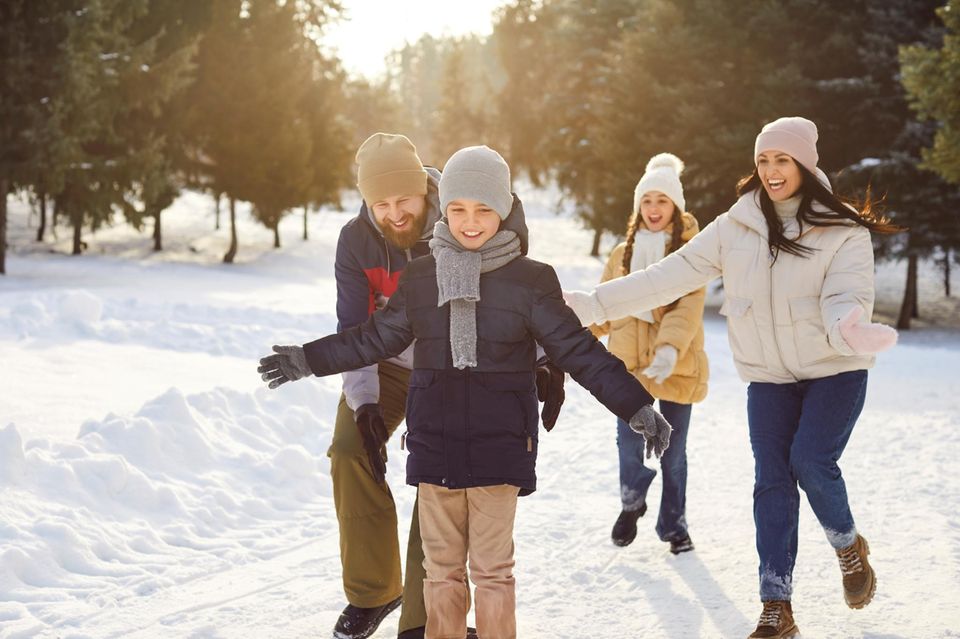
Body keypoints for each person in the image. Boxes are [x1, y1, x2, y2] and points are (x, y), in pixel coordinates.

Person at [259, 145, 672, 639]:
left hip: (500, 450)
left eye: (483, 210)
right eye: (458, 209)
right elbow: (371, 337)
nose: (470, 222)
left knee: (493, 574)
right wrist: (310, 359)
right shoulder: (420, 277)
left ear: (504, 211)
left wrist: (635, 405)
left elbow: (577, 349)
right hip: (435, 445)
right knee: (441, 573)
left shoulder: (531, 280)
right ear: (444, 210)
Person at [563, 117, 900, 639]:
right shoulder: (736, 226)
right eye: (762, 161)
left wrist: (848, 328)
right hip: (768, 378)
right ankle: (776, 607)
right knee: (771, 480)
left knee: (810, 460)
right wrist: (592, 304)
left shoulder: (843, 229)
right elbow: (665, 278)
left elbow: (845, 294)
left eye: (781, 160)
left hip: (835, 368)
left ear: (805, 165)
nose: (770, 171)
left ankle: (848, 545)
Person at [590, 153, 708, 554]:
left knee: (673, 452)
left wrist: (670, 347)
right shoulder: (621, 253)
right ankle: (632, 501)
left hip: (675, 361)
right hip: (629, 365)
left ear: (675, 206)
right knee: (628, 442)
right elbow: (602, 305)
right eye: (647, 201)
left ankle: (674, 526)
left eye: (662, 201)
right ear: (638, 206)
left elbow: (688, 306)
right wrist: (571, 338)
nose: (654, 209)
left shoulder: (691, 253)